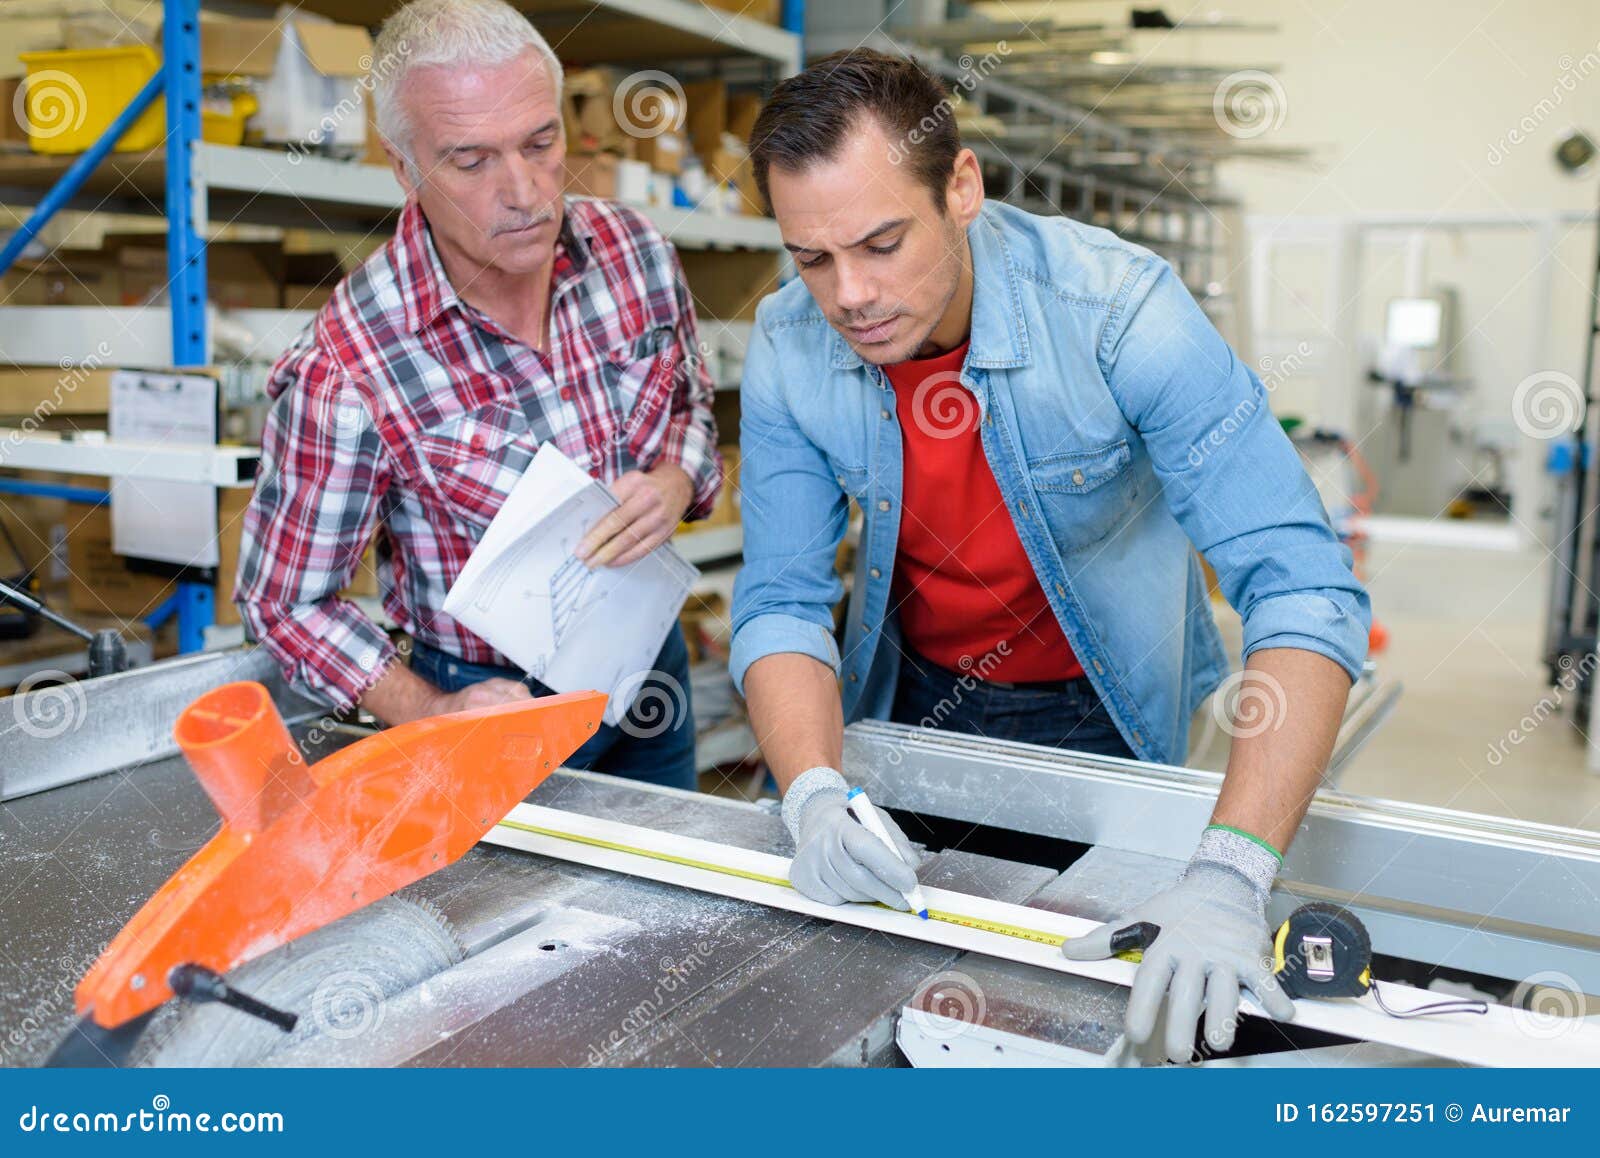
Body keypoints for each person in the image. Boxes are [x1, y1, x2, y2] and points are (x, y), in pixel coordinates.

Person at [729, 50, 1371, 1061]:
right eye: (811, 258)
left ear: (963, 187)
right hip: (909, 701)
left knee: (1075, 1034)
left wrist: (1230, 874)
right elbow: (779, 600)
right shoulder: (785, 344)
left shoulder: (1121, 313)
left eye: (881, 243)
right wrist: (811, 794)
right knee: (885, 1013)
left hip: (1101, 708)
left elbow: (1301, 584)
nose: (847, 295)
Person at [234, 0, 720, 790]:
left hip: (649, 668)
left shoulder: (637, 256)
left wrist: (675, 481)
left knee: (676, 911)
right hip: (486, 702)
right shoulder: (350, 362)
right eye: (471, 160)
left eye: (541, 142)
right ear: (404, 167)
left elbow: (690, 408)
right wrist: (431, 712)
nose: (525, 191)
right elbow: (285, 604)